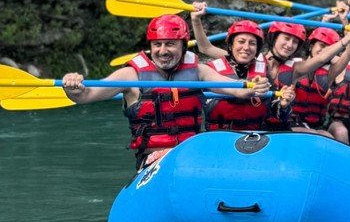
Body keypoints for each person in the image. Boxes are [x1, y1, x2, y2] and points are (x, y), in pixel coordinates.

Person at [60, 13, 270, 170]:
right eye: (157, 44)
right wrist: (73, 88)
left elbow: (238, 90)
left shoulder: (198, 71)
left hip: (192, 154)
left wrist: (255, 87)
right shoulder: (130, 75)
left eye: (170, 44)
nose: (162, 50)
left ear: (183, 47)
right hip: (153, 160)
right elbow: (87, 96)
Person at [200, 19, 293, 132]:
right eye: (241, 41)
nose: (246, 47)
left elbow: (274, 110)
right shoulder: (210, 70)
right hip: (219, 137)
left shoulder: (263, 70)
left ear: (257, 49)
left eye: (252, 43)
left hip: (254, 137)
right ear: (231, 45)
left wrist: (283, 105)